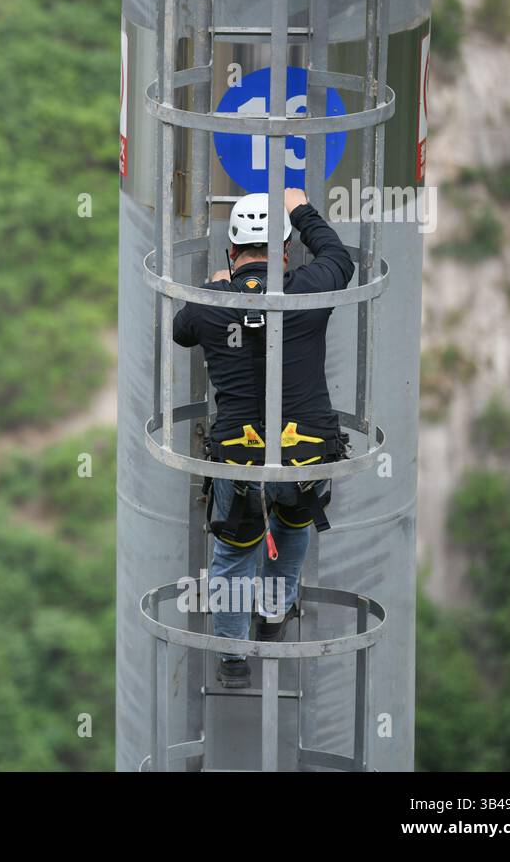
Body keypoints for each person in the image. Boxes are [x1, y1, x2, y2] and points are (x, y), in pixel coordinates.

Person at [172, 187, 354, 689]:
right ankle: (272, 614)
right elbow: (339, 258)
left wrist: (215, 288)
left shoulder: (212, 304)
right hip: (305, 448)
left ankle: (232, 656)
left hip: (239, 452)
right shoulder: (309, 289)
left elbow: (181, 331)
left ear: (232, 252)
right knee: (294, 525)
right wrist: (301, 209)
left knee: (235, 546)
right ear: (286, 251)